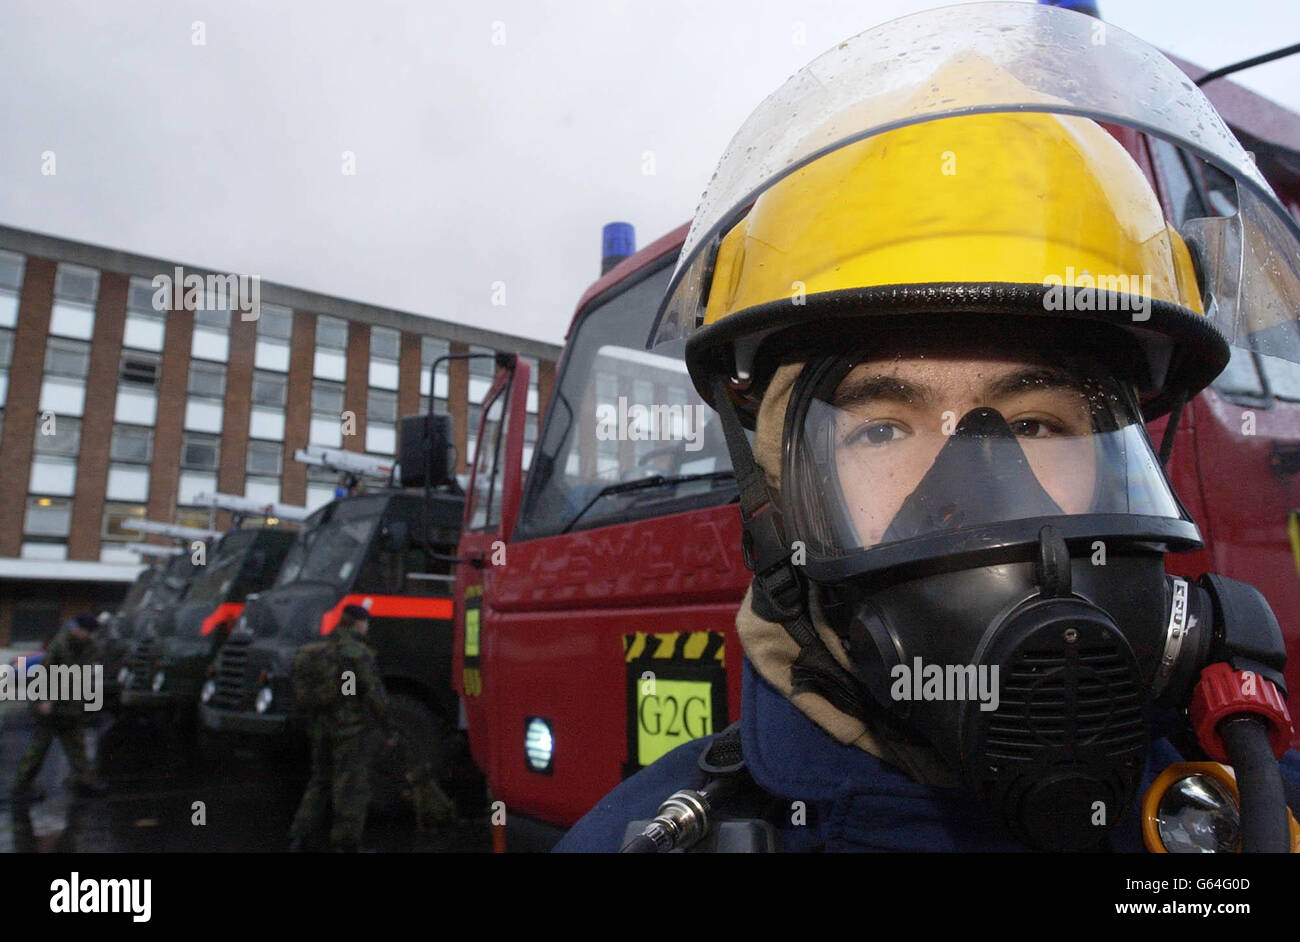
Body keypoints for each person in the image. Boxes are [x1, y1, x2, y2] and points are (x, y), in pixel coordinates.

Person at [557, 3, 1300, 852]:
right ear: (780, 510)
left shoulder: (1258, 814)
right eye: (882, 430)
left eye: (1034, 423)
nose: (974, 496)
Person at [289, 604, 392, 852]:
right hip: (348, 730)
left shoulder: (322, 648)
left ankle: (299, 837)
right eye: (365, 622)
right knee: (351, 786)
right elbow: (373, 694)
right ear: (357, 623)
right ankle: (346, 845)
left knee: (319, 781)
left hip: (319, 727)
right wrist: (387, 728)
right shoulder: (358, 652)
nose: (367, 627)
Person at [11, 613, 107, 804]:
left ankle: (84, 781)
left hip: (71, 707)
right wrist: (44, 700)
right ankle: (21, 788)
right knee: (38, 750)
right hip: (51, 707)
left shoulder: (87, 646)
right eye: (87, 632)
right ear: (78, 629)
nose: (89, 636)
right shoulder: (60, 645)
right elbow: (43, 674)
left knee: (77, 748)